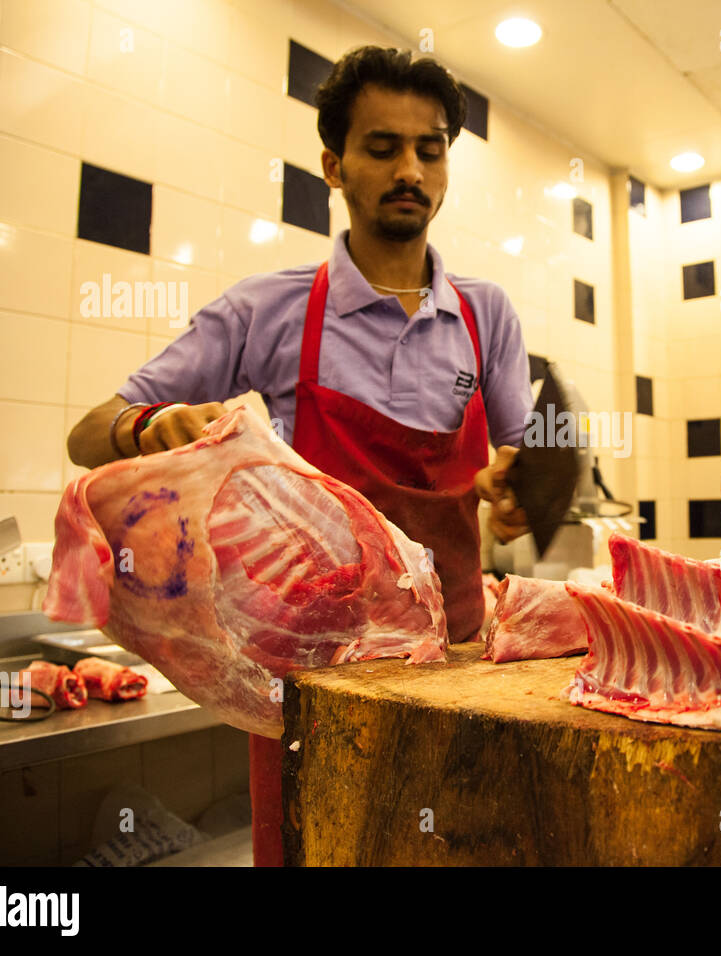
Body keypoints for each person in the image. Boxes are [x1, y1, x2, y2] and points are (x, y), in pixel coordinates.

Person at [64, 46, 534, 865]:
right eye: (382, 147)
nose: (409, 169)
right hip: (313, 678)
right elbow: (90, 429)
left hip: (461, 663)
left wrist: (512, 486)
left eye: (430, 148)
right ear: (334, 164)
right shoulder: (265, 310)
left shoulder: (486, 315)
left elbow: (516, 462)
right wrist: (155, 425)